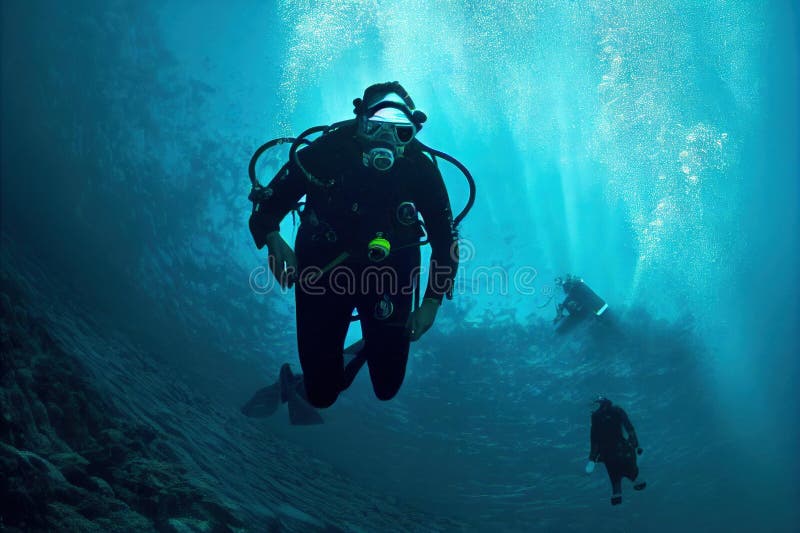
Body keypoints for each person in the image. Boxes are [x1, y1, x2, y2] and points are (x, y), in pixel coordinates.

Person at [244, 82, 466, 412]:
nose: (386, 139)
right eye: (375, 127)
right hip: (323, 267)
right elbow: (269, 206)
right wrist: (273, 238)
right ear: (359, 119)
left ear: (412, 132)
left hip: (393, 274)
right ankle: (296, 382)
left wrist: (432, 300)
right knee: (321, 395)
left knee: (387, 388)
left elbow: (445, 240)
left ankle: (369, 344)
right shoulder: (326, 150)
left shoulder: (421, 168)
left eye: (400, 132)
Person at [585, 396, 647, 505]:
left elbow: (594, 439)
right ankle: (627, 482)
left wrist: (592, 459)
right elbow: (629, 427)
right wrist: (636, 445)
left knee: (616, 473)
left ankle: (619, 488)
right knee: (622, 469)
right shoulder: (611, 412)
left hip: (611, 452)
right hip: (617, 450)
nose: (593, 408)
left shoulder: (607, 413)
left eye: (594, 405)